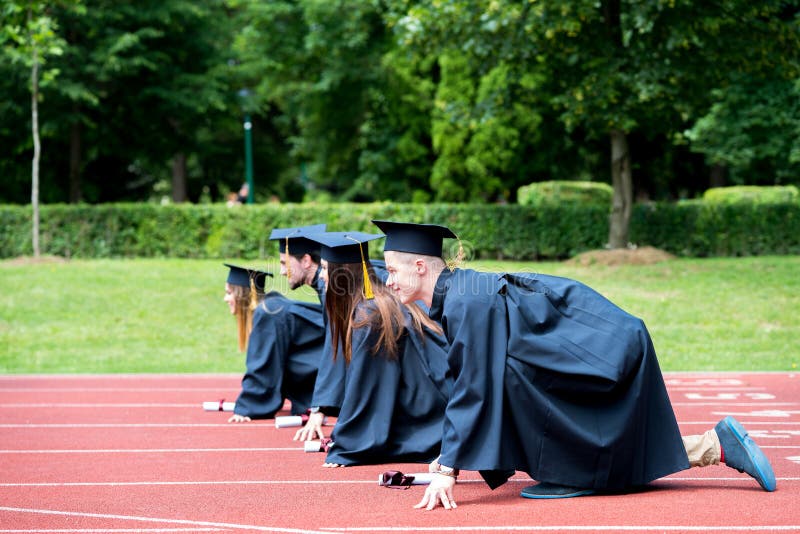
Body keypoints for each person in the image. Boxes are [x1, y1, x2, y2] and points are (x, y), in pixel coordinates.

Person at [372, 219, 777, 510]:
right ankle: (716, 445)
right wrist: (449, 455)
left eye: (391, 270)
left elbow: (474, 387)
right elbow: (473, 379)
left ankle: (716, 446)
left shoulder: (466, 301)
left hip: (601, 353)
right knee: (515, 384)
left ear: (421, 266)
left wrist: (447, 466)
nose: (387, 282)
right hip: (586, 352)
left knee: (593, 453)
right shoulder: (463, 293)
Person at [298, 231, 452, 467]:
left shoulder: (369, 316)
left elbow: (367, 387)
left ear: (343, 275)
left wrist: (348, 446)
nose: (322, 276)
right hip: (434, 399)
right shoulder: (375, 302)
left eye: (327, 269)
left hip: (430, 415)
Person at [225, 224, 328, 423]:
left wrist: (248, 407)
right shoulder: (279, 308)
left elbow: (262, 367)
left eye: (283, 263)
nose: (281, 271)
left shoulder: (269, 312)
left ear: (306, 260)